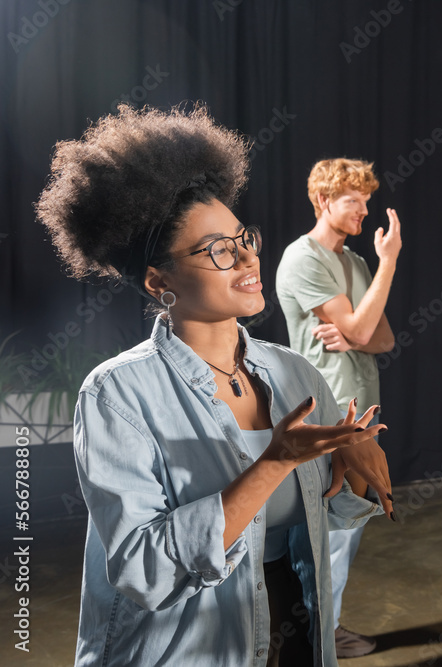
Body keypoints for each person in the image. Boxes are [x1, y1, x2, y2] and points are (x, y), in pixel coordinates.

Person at [36, 104, 394, 666]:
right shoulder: (117, 395)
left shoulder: (293, 373)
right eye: (217, 250)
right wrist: (273, 462)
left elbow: (327, 516)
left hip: (293, 623)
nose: (247, 257)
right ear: (160, 283)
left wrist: (348, 452)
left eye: (242, 237)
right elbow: (141, 570)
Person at [276, 157, 400, 658]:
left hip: (360, 417)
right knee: (324, 533)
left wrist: (353, 339)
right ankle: (313, 634)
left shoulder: (355, 264)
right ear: (324, 201)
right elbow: (367, 328)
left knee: (344, 530)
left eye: (367, 203)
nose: (365, 213)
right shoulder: (302, 259)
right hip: (326, 419)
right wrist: (390, 262)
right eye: (354, 202)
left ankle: (326, 627)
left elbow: (382, 336)